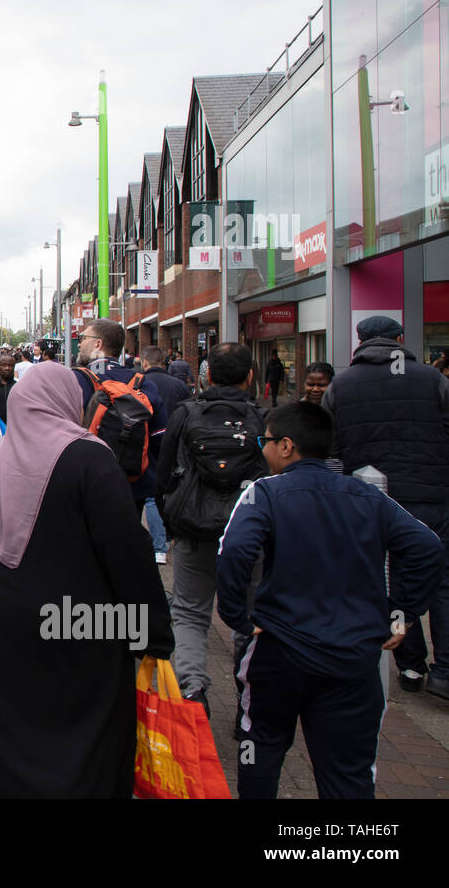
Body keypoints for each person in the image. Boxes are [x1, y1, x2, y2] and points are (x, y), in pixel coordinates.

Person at [0, 362, 174, 797]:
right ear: (67, 402)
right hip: (83, 622)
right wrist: (151, 633)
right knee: (89, 733)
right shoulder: (91, 458)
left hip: (5, 624)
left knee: (11, 730)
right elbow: (128, 553)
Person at [217, 402, 444, 798]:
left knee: (261, 751)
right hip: (353, 656)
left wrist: (238, 615)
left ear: (286, 446)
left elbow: (235, 550)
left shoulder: (266, 492)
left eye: (265, 441)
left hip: (279, 649)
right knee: (348, 772)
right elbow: (426, 545)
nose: (262, 449)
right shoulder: (367, 496)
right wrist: (402, 612)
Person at [322, 316, 449, 701]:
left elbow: (331, 449)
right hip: (432, 497)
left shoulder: (341, 385)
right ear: (399, 339)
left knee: (385, 578)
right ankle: (444, 671)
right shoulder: (433, 379)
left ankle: (409, 663)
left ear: (359, 341)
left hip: (370, 500)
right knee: (442, 581)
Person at [154, 342, 266, 713]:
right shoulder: (261, 419)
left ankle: (193, 690)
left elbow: (165, 472)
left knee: (188, 611)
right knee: (251, 615)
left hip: (194, 528)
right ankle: (248, 697)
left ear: (208, 375)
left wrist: (170, 522)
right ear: (251, 376)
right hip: (248, 534)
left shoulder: (186, 414)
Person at [74, 318, 169, 517]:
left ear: (98, 344)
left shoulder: (77, 380)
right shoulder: (143, 383)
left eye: (83, 338)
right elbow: (160, 438)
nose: (80, 343)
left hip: (88, 482)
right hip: (135, 484)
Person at [139, 345, 191, 565]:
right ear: (164, 362)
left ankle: (159, 546)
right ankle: (169, 536)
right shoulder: (179, 385)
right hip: (175, 445)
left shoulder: (138, 384)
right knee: (173, 489)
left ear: (144, 362)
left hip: (145, 445)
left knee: (150, 495)